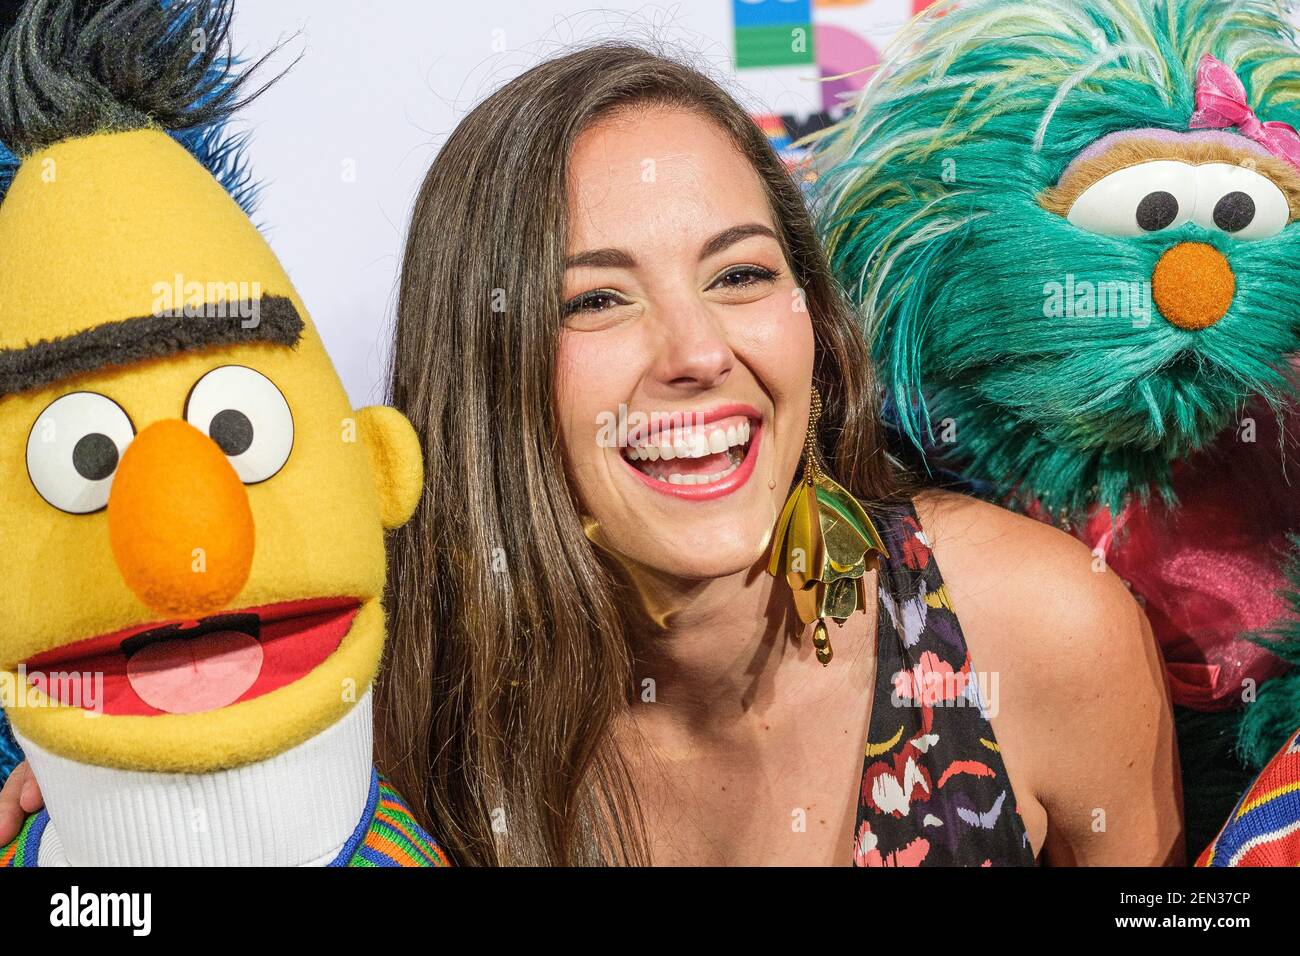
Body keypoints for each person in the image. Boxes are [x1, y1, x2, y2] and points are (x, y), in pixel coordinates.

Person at [373, 42, 1184, 866]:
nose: (698, 352)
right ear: (481, 370)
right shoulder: (395, 718)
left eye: (738, 276)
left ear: (817, 333)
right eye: (596, 299)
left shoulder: (1041, 628)